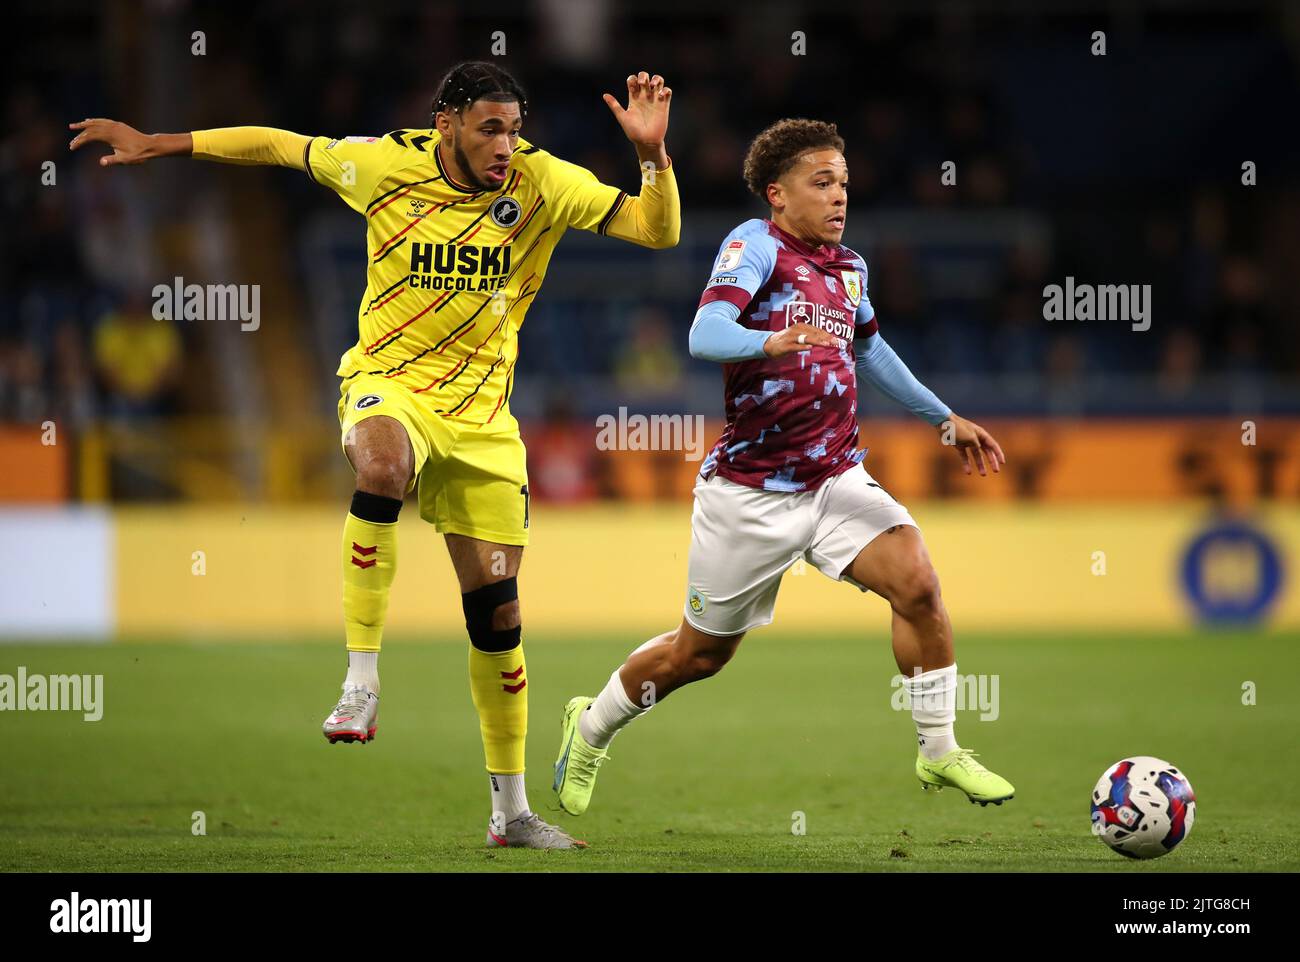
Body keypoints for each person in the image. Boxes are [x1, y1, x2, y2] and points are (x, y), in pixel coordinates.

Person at [70, 61, 680, 849]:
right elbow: (280, 147)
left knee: (498, 622)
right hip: (388, 383)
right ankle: (361, 681)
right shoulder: (386, 165)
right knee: (383, 468)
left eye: (514, 129)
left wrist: (653, 157)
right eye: (490, 127)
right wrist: (166, 142)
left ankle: (511, 815)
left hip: (484, 422)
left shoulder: (541, 182)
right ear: (447, 123)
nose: (505, 145)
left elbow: (655, 230)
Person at [552, 118, 1014, 823]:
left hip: (833, 478)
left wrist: (943, 418)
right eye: (822, 183)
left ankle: (939, 747)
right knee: (696, 657)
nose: (839, 198)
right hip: (749, 493)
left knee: (917, 583)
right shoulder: (754, 245)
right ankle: (589, 730)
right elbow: (703, 334)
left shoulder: (850, 266)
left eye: (845, 184)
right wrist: (772, 339)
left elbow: (873, 352)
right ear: (778, 193)